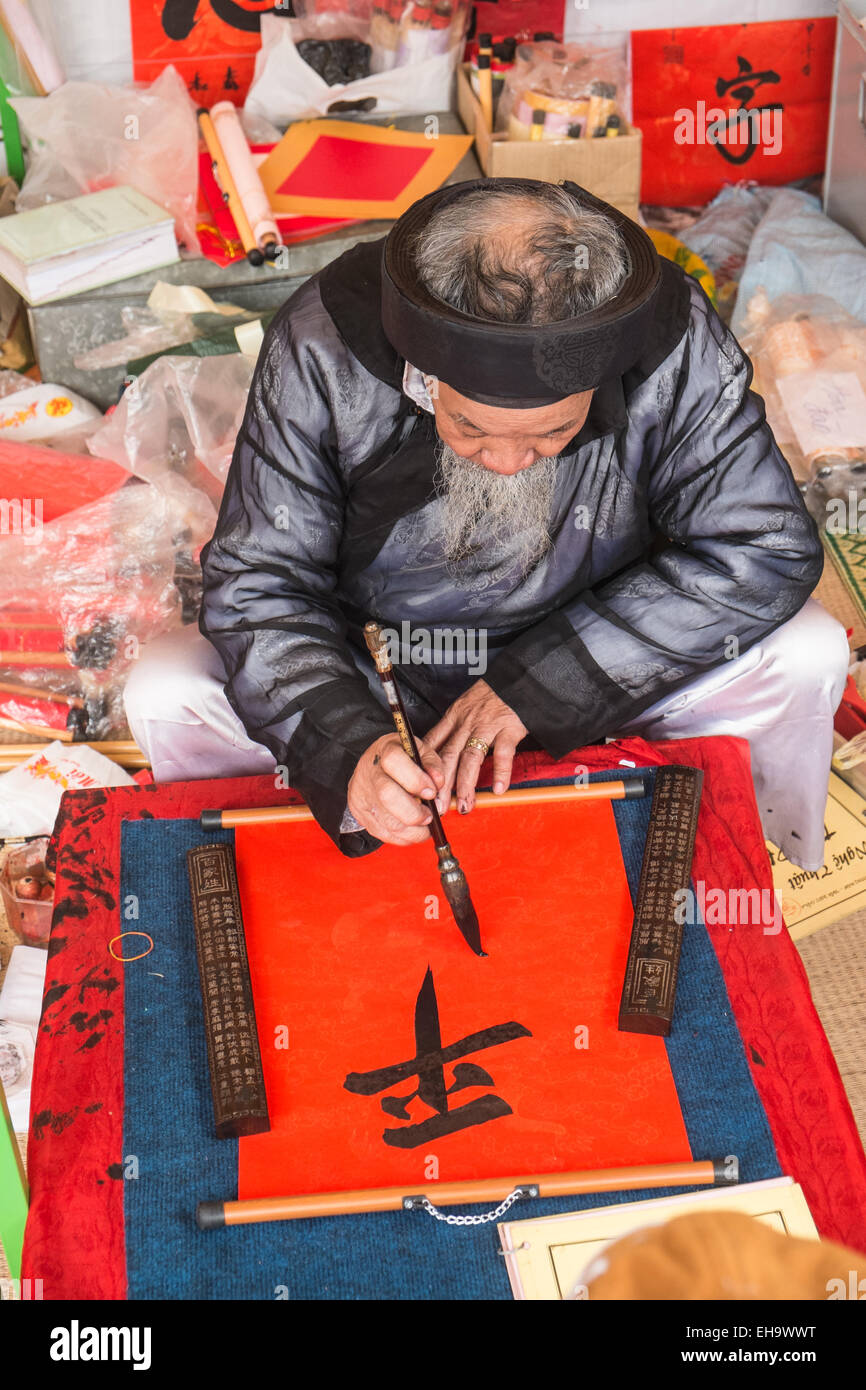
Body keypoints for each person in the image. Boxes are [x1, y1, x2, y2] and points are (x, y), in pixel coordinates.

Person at [125, 178, 846, 871]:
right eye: (468, 426)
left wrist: (541, 683)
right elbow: (260, 580)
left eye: (551, 433)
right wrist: (350, 748)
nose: (506, 462)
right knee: (165, 690)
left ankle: (744, 870)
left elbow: (761, 546)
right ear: (425, 373)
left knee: (808, 650)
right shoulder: (327, 343)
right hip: (379, 672)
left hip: (606, 664)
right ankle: (292, 869)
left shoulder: (668, 337)